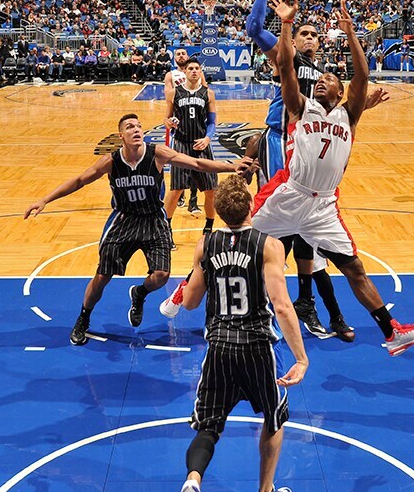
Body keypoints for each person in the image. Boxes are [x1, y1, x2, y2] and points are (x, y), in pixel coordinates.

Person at [254, 0, 414, 357]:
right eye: (319, 79)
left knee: (354, 268)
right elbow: (287, 68)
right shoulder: (299, 107)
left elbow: (363, 76)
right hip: (290, 194)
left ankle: (392, 332)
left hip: (324, 206)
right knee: (236, 243)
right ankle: (192, 297)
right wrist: (286, 24)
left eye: (330, 79)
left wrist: (352, 33)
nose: (322, 81)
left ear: (341, 92)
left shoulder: (348, 116)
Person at [23, 113, 253, 346]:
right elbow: (80, 180)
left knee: (161, 276)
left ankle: (139, 293)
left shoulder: (157, 154)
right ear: (121, 135)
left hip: (154, 219)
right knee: (102, 277)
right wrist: (45, 200)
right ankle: (84, 317)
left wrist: (232, 166)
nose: (136, 129)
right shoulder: (111, 162)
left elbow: (196, 163)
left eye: (139, 126)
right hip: (124, 221)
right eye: (130, 127)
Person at [243, 0, 352, 341]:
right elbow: (255, 28)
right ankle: (258, 297)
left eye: (313, 34)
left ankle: (303, 299)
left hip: (309, 153)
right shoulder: (286, 55)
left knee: (306, 225)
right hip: (279, 142)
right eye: (302, 31)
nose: (308, 37)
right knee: (276, 225)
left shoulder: (325, 79)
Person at [178, 176, 308, 492]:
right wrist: (301, 357)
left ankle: (193, 479)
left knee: (208, 426)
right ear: (251, 206)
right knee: (274, 416)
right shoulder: (269, 245)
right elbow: (281, 305)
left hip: (219, 345)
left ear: (219, 211)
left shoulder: (205, 245)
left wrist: (195, 275)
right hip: (257, 347)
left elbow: (190, 304)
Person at [164, 58, 218, 243]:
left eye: (197, 68)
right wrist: (169, 123)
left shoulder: (208, 93)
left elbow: (212, 123)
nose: (194, 71)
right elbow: (166, 118)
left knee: (211, 190)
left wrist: (207, 139)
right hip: (180, 144)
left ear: (200, 71)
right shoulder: (174, 93)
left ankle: (209, 228)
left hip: (201, 144)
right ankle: (166, 228)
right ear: (185, 72)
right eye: (190, 69)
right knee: (176, 189)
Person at [162, 48, 199, 214]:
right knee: (181, 163)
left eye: (184, 53)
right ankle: (181, 194)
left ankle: (193, 199)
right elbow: (169, 97)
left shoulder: (195, 71)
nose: (181, 56)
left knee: (197, 165)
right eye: (178, 54)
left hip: (196, 122)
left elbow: (204, 92)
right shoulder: (171, 75)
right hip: (179, 123)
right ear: (174, 58)